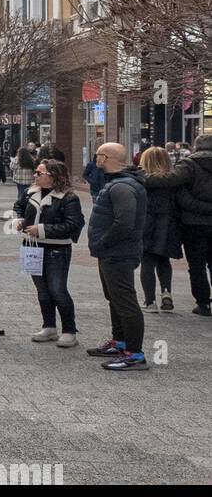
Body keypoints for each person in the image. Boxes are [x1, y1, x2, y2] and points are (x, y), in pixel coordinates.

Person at [86, 142, 149, 371]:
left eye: (97, 156)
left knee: (125, 301)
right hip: (111, 253)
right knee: (114, 298)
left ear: (105, 158)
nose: (95, 160)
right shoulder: (117, 183)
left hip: (118, 253)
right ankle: (120, 342)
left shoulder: (123, 187)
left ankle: (134, 353)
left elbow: (124, 223)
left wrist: (104, 242)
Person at [13, 159, 85, 347]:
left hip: (56, 248)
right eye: (35, 172)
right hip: (32, 246)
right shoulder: (30, 192)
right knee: (42, 290)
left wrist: (42, 229)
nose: (35, 176)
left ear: (53, 176)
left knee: (58, 290)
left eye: (39, 173)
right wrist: (20, 220)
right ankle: (49, 326)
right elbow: (18, 206)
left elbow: (74, 224)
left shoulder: (68, 197)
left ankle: (69, 330)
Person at [140, 132, 212, 317]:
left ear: (196, 146)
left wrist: (139, 177)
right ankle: (167, 293)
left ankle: (203, 304)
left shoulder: (189, 165)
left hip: (193, 223)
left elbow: (172, 183)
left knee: (197, 265)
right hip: (184, 222)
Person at [138, 146, 182, 312]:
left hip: (147, 223)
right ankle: (166, 292)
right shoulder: (174, 181)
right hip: (169, 224)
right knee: (164, 261)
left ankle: (150, 302)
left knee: (147, 262)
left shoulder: (141, 180)